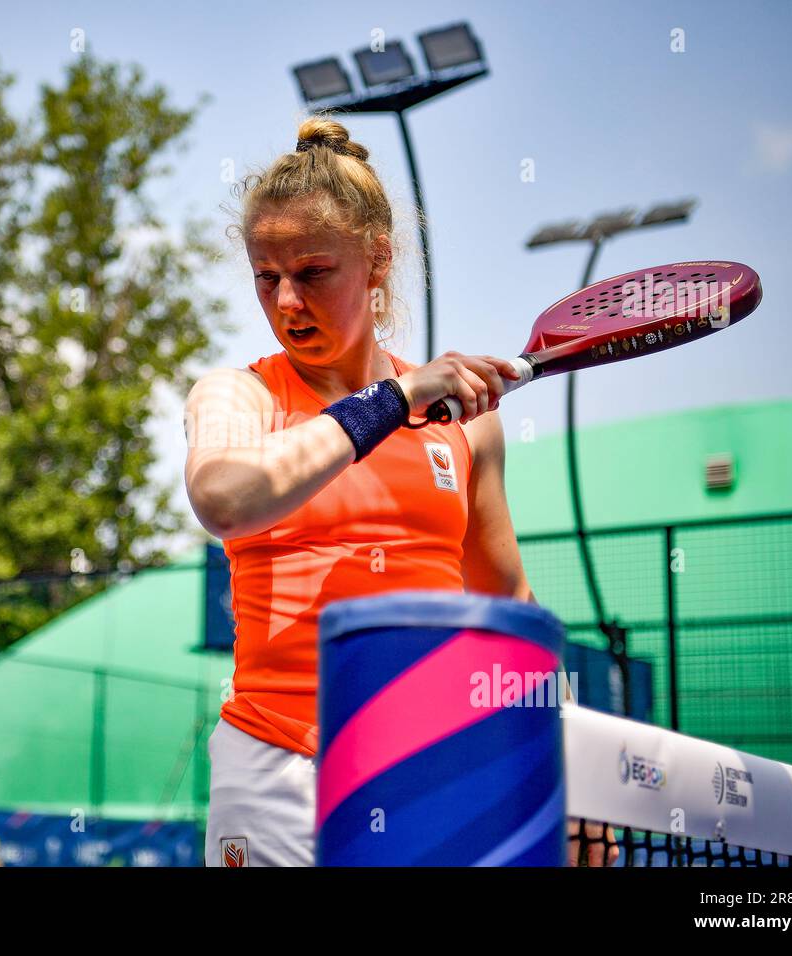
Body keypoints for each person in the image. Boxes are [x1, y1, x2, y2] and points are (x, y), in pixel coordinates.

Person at [185, 116, 616, 867]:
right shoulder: (237, 396)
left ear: (376, 260)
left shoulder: (469, 429)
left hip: (437, 767)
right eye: (265, 275)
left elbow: (509, 602)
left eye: (312, 271)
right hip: (276, 767)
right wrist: (396, 398)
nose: (286, 300)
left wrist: (569, 760)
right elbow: (225, 496)